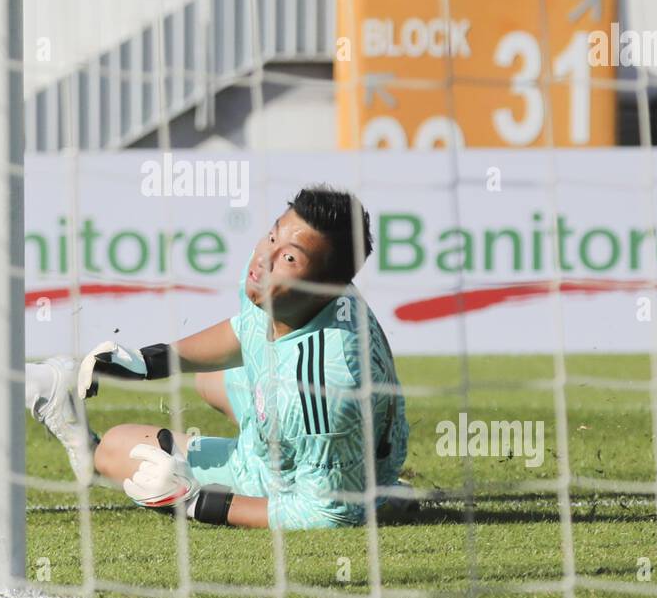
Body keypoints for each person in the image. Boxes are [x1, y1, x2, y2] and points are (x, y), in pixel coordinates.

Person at [33, 185, 413, 529]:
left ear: (325, 285)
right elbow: (245, 330)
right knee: (209, 379)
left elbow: (326, 514)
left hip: (299, 476)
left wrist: (196, 500)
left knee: (115, 450)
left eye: (290, 259)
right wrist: (149, 362)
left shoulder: (322, 385)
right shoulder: (289, 284)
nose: (263, 258)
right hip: (307, 425)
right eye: (271, 236)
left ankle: (384, 498)